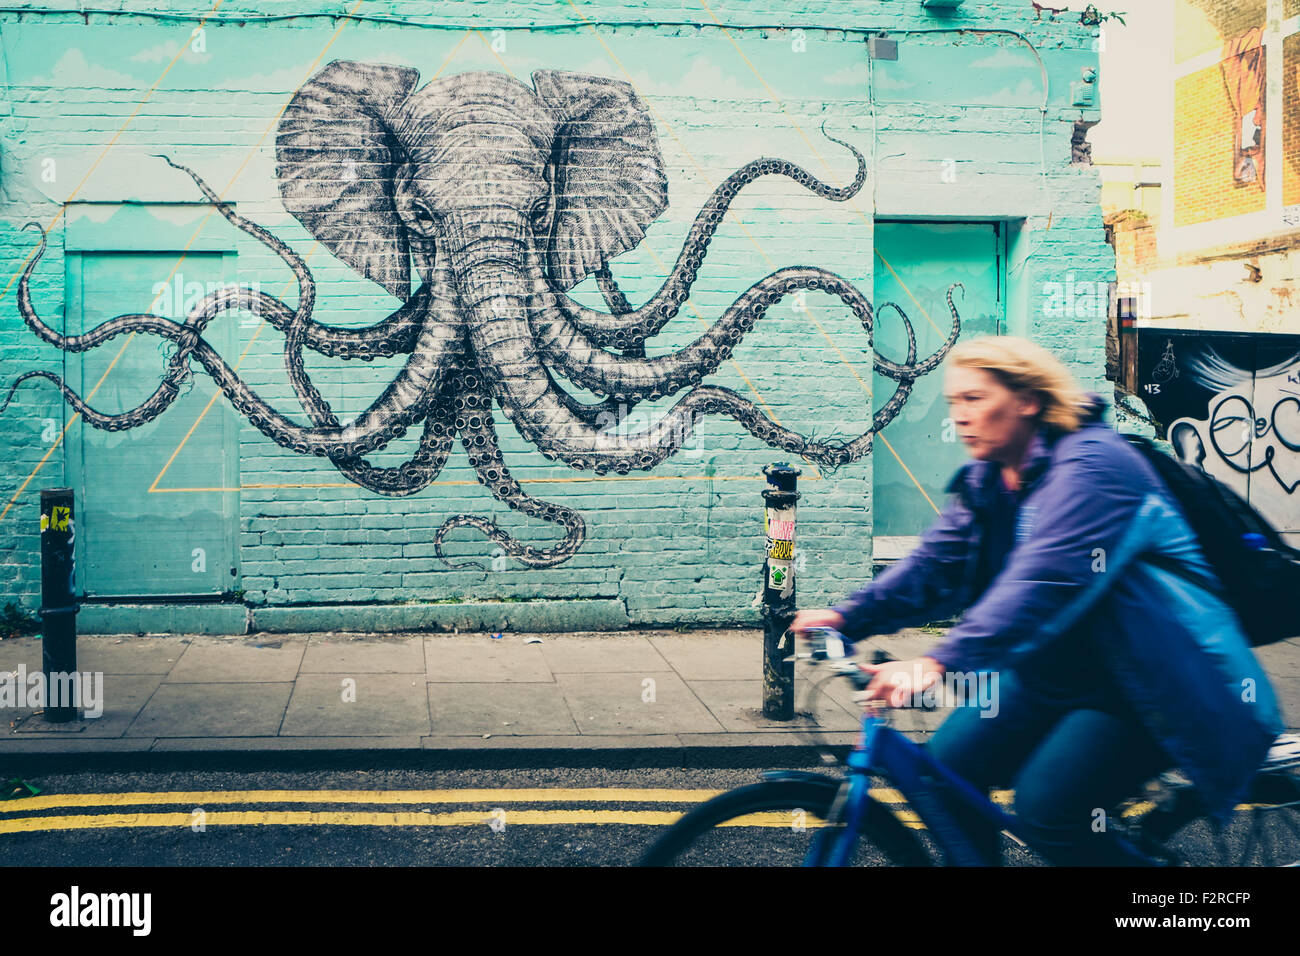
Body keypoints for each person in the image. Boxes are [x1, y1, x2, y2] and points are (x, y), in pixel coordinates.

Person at [791, 335, 1283, 866]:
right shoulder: (993, 477)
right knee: (947, 775)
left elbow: (1046, 579)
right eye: (954, 401)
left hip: (1147, 684)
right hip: (1055, 675)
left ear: (1026, 399)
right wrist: (849, 615)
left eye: (974, 399)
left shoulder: (1095, 466)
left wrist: (939, 660)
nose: (959, 415)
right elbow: (937, 562)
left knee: (1049, 808)